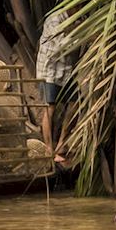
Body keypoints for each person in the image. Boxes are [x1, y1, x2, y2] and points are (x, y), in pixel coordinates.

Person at [35, 9, 72, 164]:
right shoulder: (54, 19)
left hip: (66, 71)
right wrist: (86, 36)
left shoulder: (77, 17)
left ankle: (62, 144)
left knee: (75, 104)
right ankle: (49, 150)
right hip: (49, 70)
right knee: (50, 108)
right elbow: (61, 45)